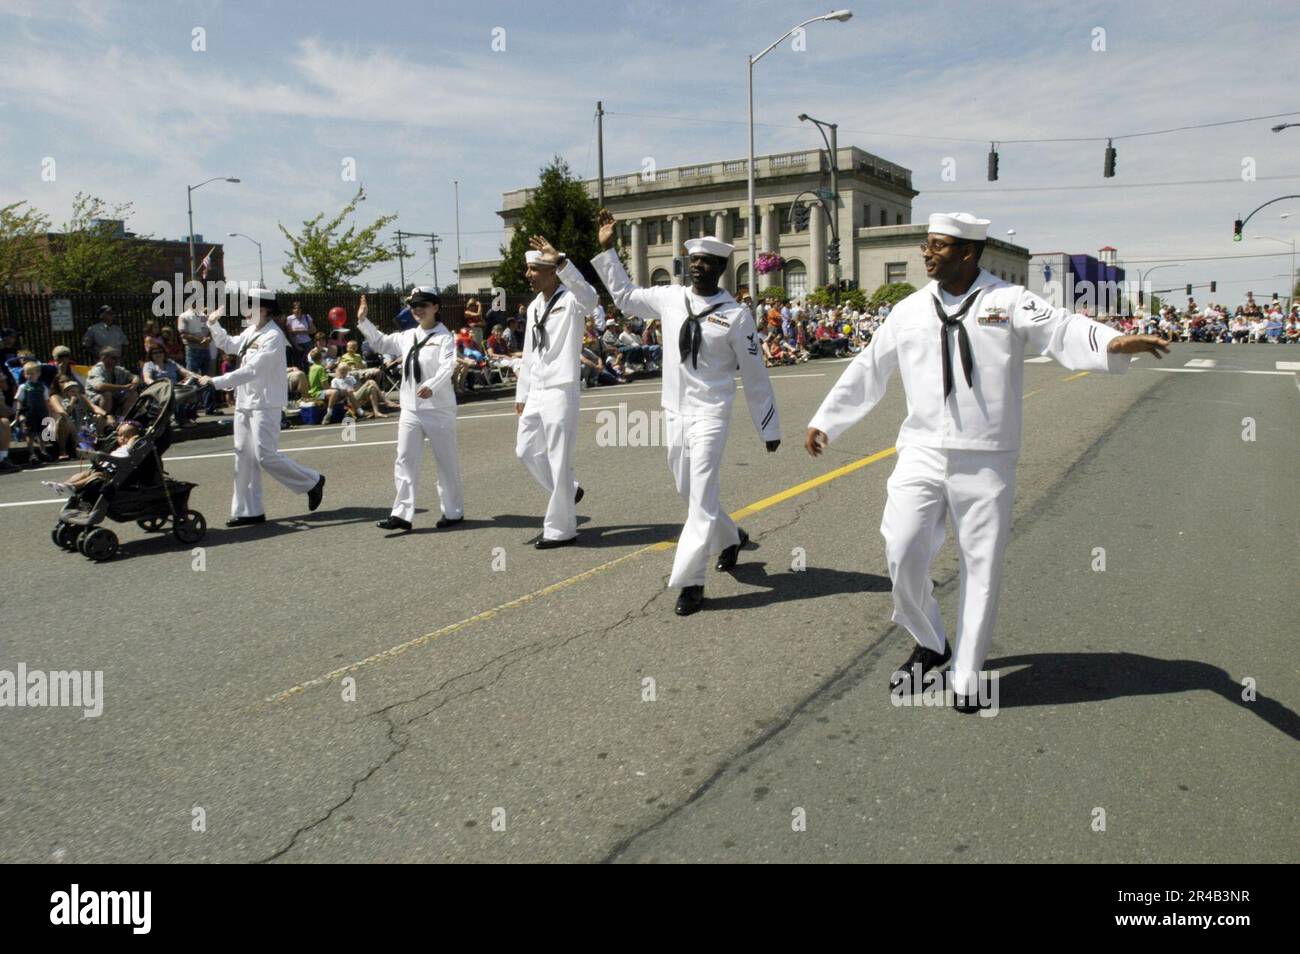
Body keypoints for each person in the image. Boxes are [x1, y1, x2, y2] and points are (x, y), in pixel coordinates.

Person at [804, 212, 1169, 712]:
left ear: (968, 253)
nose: (926, 254)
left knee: (982, 565)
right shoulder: (908, 310)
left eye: (938, 246)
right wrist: (829, 418)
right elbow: (871, 365)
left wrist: (1111, 342)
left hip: (987, 457)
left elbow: (1061, 330)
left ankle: (968, 675)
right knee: (901, 548)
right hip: (922, 450)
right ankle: (932, 640)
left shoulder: (1009, 301)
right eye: (925, 245)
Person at [593, 211, 780, 616]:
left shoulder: (736, 315)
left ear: (721, 269)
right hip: (674, 412)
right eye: (693, 261)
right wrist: (608, 248)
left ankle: (691, 583)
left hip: (712, 414)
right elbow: (625, 298)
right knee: (687, 490)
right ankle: (730, 537)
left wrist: (769, 426)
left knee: (700, 500)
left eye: (706, 262)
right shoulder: (671, 298)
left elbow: (755, 373)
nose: (697, 267)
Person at [198, 287, 325, 526]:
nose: (245, 311)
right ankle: (249, 511)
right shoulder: (250, 332)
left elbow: (252, 370)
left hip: (266, 402)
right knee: (243, 457)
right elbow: (230, 345)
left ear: (264, 309)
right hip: (246, 401)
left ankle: (312, 481)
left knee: (265, 455)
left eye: (250, 306)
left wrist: (215, 382)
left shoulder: (273, 337)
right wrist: (214, 324)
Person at [514, 235, 600, 548]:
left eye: (535, 269)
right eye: (528, 269)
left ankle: (561, 529)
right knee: (525, 450)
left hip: (561, 387)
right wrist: (521, 395)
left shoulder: (572, 299)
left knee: (558, 457)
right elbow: (528, 352)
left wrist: (563, 263)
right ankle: (569, 489)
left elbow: (591, 299)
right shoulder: (535, 307)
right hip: (537, 388)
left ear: (552, 271)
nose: (528, 275)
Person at [357, 287, 464, 532]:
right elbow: (380, 342)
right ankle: (402, 514)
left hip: (438, 408)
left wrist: (432, 385)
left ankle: (453, 511)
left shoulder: (445, 337)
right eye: (414, 305)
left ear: (436, 307)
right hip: (411, 408)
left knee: (446, 462)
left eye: (423, 304)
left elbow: (448, 366)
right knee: (405, 459)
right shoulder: (407, 336)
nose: (418, 309)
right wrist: (363, 320)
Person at [86, 347, 139, 421]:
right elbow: (100, 386)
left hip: (115, 398)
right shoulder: (96, 370)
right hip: (96, 400)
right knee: (107, 394)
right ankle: (105, 420)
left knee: (133, 394)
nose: (117, 360)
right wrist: (124, 387)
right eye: (114, 358)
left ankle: (123, 419)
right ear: (104, 358)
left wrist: (134, 382)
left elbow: (134, 376)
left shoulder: (118, 370)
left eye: (118, 358)